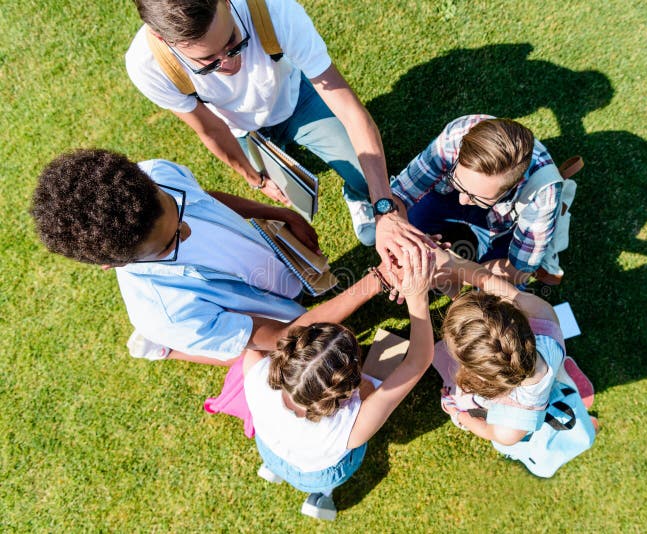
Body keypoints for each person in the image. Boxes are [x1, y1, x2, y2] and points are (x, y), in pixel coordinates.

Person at [126, 0, 430, 261]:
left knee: (369, 177)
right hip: (241, 132)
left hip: (296, 99)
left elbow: (350, 111)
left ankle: (354, 193)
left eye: (234, 42)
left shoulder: (274, 9)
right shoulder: (148, 65)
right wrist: (256, 180)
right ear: (164, 40)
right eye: (208, 63)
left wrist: (384, 206)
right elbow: (211, 130)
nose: (230, 65)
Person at [30, 148, 395, 365]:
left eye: (177, 209)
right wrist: (375, 280)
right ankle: (164, 349)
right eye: (171, 243)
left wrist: (280, 214)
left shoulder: (157, 174)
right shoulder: (170, 311)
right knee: (309, 354)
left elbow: (205, 196)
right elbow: (285, 334)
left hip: (268, 270)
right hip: (267, 324)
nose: (185, 230)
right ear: (113, 265)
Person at [242, 246, 435, 520]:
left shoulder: (256, 370)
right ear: (344, 389)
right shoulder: (350, 428)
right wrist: (418, 297)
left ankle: (274, 469)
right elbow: (418, 361)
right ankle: (323, 495)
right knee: (375, 378)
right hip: (319, 475)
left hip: (270, 450)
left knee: (286, 448)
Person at [435, 289, 597, 476]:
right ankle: (585, 423)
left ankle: (582, 421)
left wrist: (458, 413)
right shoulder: (547, 328)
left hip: (529, 438)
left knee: (543, 458)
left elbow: (489, 431)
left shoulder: (508, 429)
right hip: (553, 383)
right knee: (575, 418)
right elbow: (505, 289)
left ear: (482, 378)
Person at [391, 114, 562, 287]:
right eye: (457, 179)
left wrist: (452, 271)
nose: (463, 200)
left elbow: (518, 271)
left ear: (514, 185)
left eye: (478, 197)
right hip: (443, 195)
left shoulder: (543, 192)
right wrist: (399, 237)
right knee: (404, 229)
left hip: (503, 223)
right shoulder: (456, 137)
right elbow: (401, 193)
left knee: (504, 291)